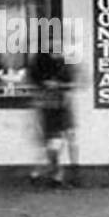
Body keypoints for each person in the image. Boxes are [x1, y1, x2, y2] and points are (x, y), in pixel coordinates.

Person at [31, 51, 78, 187]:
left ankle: (48, 173)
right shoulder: (43, 60)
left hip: (55, 106)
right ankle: (54, 174)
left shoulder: (60, 63)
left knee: (55, 142)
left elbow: (68, 85)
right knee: (54, 142)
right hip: (52, 107)